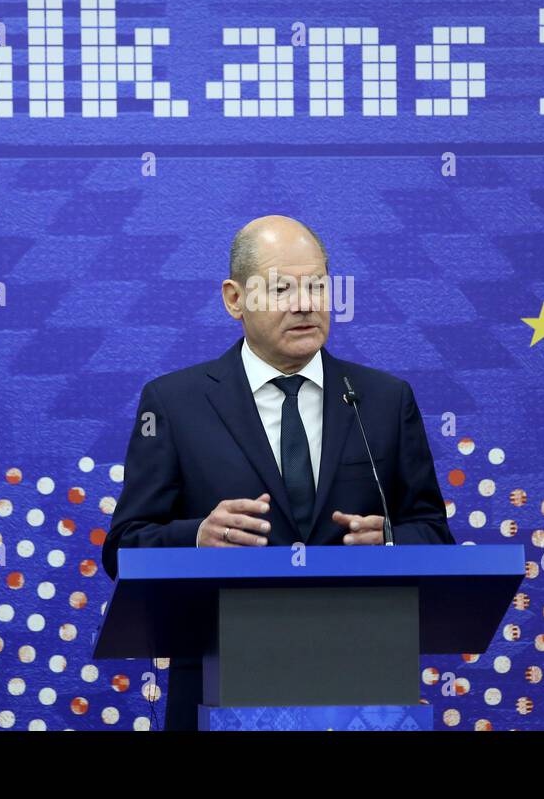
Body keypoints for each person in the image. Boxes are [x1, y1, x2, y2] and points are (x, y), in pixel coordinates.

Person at [101, 214, 455, 729]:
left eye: (317, 286)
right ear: (234, 299)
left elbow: (435, 535)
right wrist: (197, 537)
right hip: (221, 688)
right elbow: (124, 548)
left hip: (361, 688)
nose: (306, 303)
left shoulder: (382, 400)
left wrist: (391, 540)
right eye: (282, 288)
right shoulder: (175, 404)